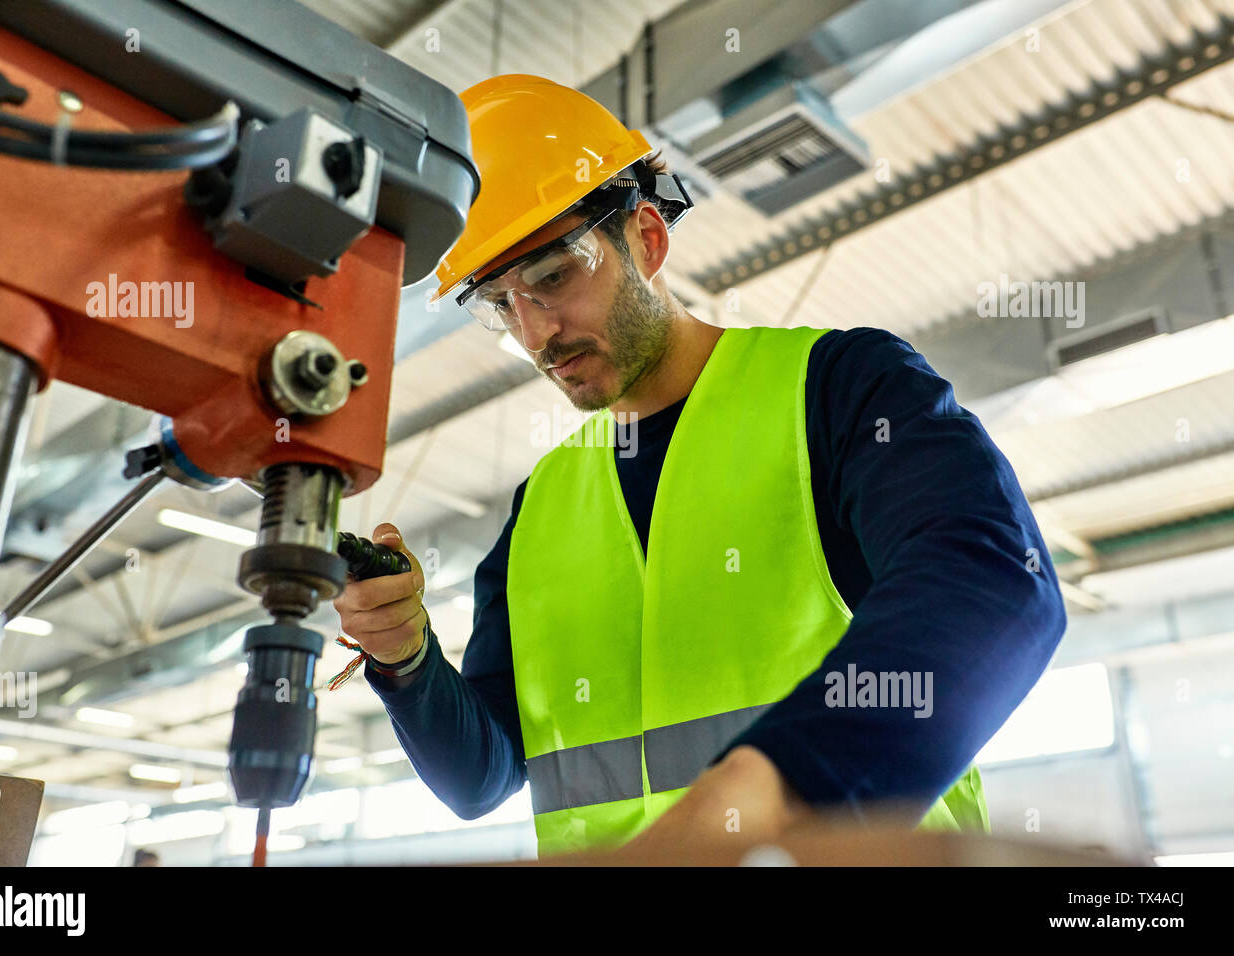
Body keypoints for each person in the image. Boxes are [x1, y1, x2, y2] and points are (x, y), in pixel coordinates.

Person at [333, 75, 1066, 858]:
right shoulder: (539, 509)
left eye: (553, 276)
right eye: (500, 304)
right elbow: (482, 779)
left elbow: (993, 581)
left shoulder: (840, 391)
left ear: (647, 237)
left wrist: (769, 792)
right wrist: (406, 659)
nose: (536, 331)